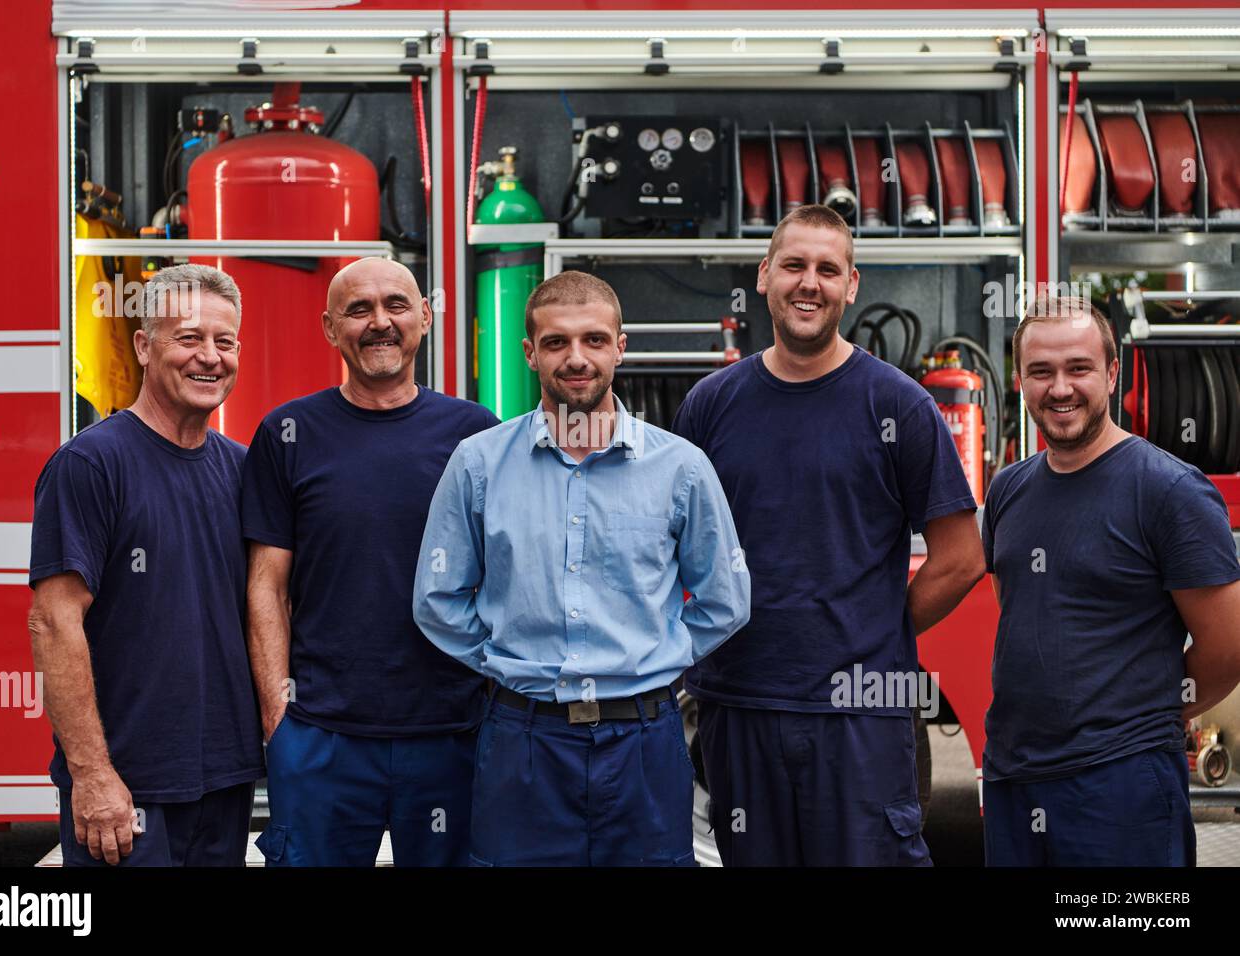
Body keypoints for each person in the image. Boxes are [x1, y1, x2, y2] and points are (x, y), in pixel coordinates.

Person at [672, 204, 985, 866]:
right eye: (794, 265)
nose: (809, 283)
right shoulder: (711, 405)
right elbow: (675, 546)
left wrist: (875, 630)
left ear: (852, 285)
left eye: (827, 269)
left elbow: (961, 558)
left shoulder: (898, 405)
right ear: (764, 275)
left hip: (860, 714)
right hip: (740, 703)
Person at [413, 270, 750, 866]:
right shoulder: (478, 464)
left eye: (594, 339)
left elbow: (726, 599)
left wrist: (654, 656)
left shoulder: (681, 469)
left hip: (644, 744)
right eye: (556, 342)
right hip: (522, 742)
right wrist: (506, 660)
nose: (576, 358)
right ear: (530, 353)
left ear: (620, 347)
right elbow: (437, 598)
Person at [244, 258, 498, 867]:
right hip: (321, 735)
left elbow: (504, 581)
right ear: (330, 328)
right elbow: (266, 587)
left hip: (452, 733)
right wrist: (280, 718)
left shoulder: (476, 434)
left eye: (396, 305)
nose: (379, 322)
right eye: (358, 310)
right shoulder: (287, 433)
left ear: (425, 317)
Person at [981, 296, 1240, 866]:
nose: (1060, 388)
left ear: (1112, 373)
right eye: (1041, 371)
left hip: (1122, 784)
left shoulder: (1170, 492)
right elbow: (1021, 609)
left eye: (1079, 368)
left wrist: (1146, 715)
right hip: (1012, 778)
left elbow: (1227, 648)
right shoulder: (1008, 490)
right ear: (1020, 380)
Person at [28, 264, 262, 866]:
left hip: (226, 782)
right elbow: (53, 623)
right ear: (142, 346)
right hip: (126, 792)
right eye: (188, 337)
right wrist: (92, 774)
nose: (209, 356)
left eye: (225, 341)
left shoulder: (244, 470)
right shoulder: (90, 465)